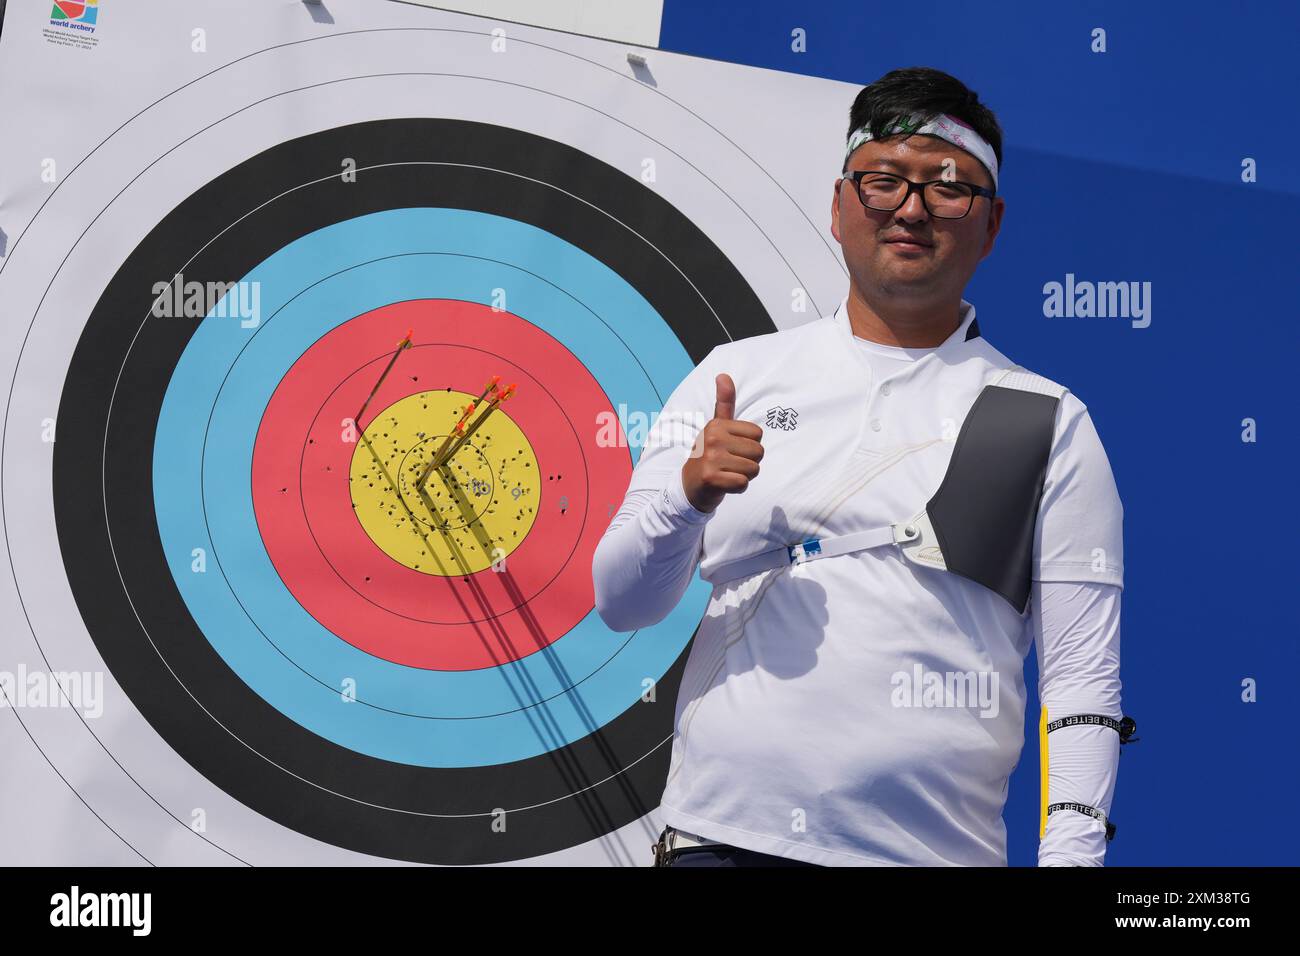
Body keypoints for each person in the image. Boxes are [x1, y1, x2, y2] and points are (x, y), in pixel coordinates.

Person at [592, 67, 1126, 867]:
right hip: (717, 844)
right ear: (841, 204)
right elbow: (621, 601)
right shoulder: (735, 376)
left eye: (950, 188)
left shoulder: (1046, 420)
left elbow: (1083, 684)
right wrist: (686, 493)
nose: (912, 208)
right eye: (885, 181)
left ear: (992, 223)